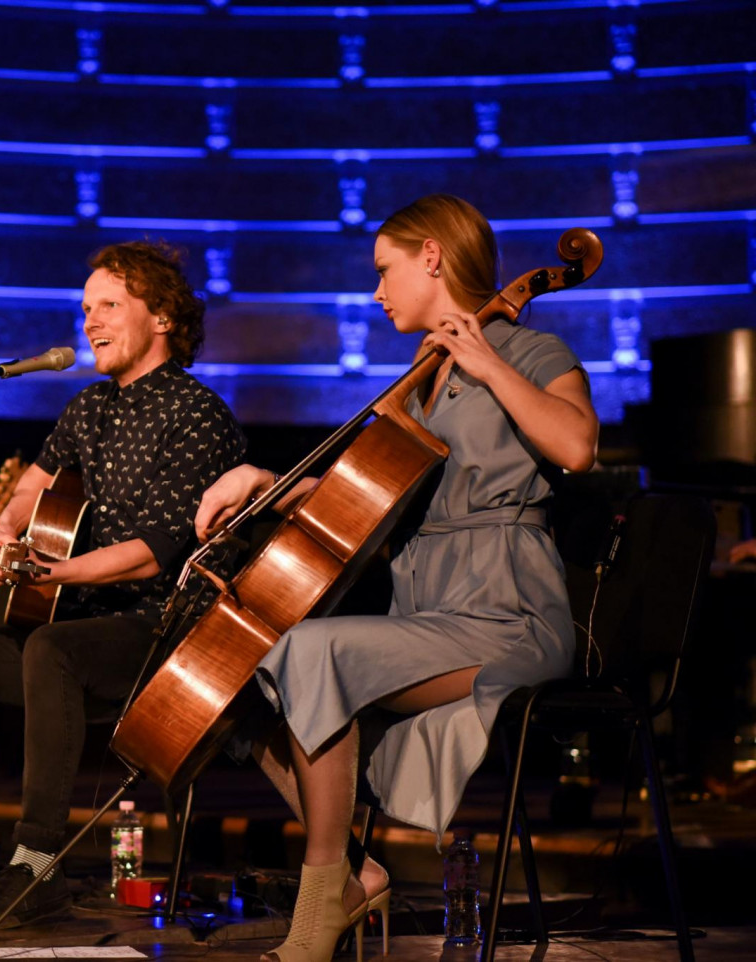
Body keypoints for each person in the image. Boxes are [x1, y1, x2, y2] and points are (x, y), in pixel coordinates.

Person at [195, 194, 598, 962]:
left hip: (510, 615)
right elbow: (363, 493)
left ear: (433, 258)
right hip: (431, 613)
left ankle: (319, 915)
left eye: (385, 270)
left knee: (314, 656)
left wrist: (485, 359)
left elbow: (576, 447)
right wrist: (259, 479)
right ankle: (350, 875)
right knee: (249, 684)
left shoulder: (531, 352)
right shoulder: (420, 382)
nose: (376, 292)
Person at [0, 241, 246, 927]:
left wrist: (57, 571)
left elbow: (154, 554)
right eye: (86, 308)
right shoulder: (87, 408)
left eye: (109, 306)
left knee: (49, 650)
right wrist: (2, 535)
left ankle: (36, 865)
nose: (90, 321)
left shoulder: (199, 415)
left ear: (163, 318)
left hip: (160, 632)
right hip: (71, 630)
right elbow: (30, 491)